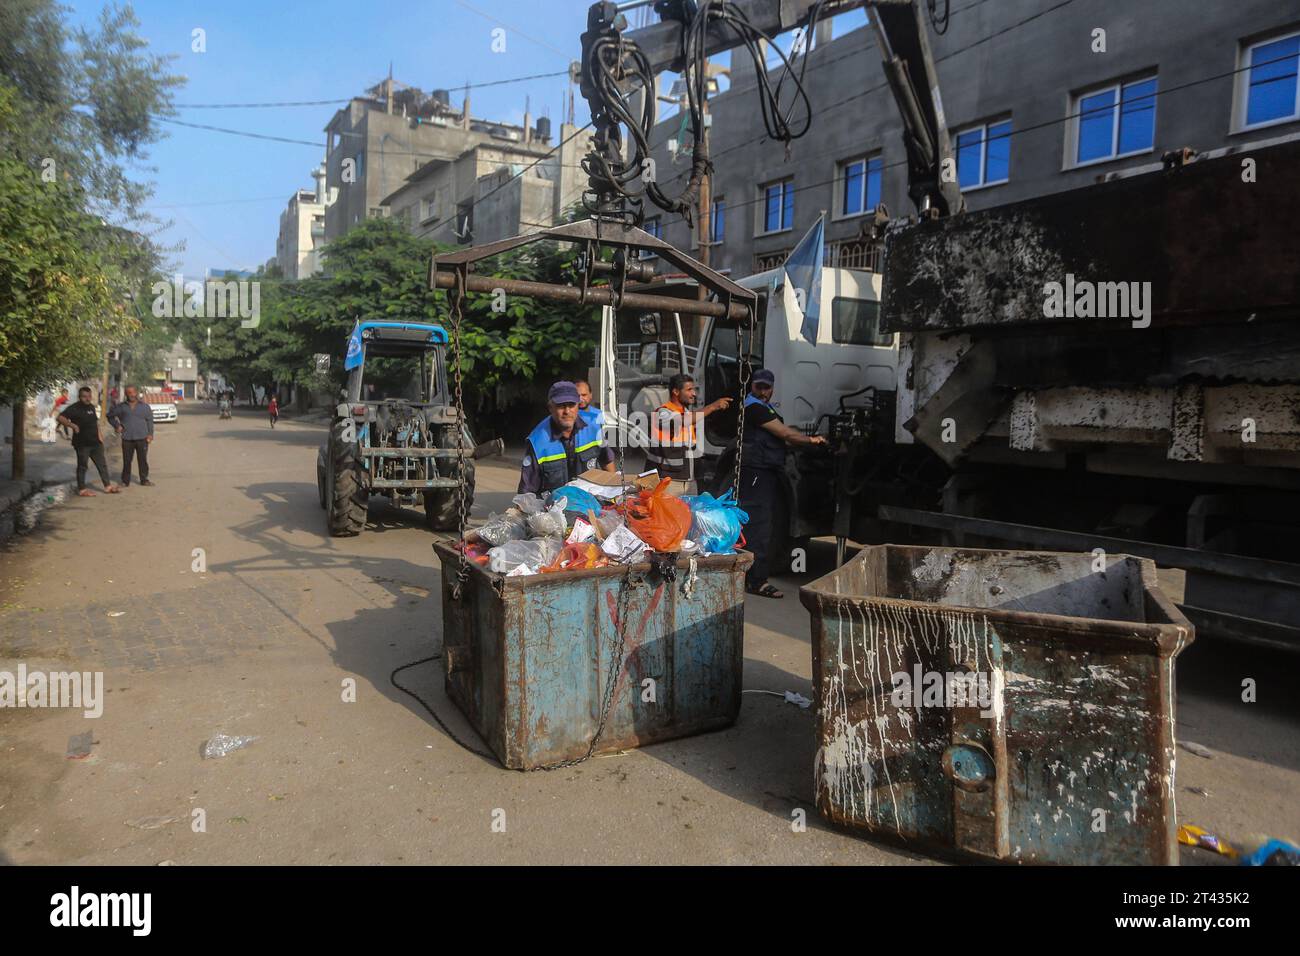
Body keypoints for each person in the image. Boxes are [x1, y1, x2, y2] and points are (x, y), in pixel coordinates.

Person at [737, 369, 826, 599]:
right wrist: (811, 440)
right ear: (752, 386)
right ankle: (756, 581)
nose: (764, 391)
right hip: (757, 471)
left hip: (766, 470)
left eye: (767, 387)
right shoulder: (754, 407)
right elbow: (785, 433)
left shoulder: (764, 407)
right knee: (759, 525)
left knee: (761, 524)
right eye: (759, 387)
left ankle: (749, 576)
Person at [519, 381, 615, 495]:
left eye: (571, 405)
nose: (567, 411)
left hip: (590, 504)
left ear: (578, 405)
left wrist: (614, 492)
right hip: (552, 508)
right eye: (561, 406)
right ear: (550, 407)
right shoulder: (537, 441)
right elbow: (526, 492)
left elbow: (607, 462)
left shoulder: (594, 428)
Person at [645, 373, 731, 481]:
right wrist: (712, 407)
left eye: (694, 389)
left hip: (684, 478)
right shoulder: (662, 412)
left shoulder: (686, 413)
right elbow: (681, 421)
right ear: (675, 391)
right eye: (689, 389)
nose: (694, 393)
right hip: (664, 479)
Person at [57, 387, 120, 497]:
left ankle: (107, 486)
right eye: (85, 396)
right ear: (80, 397)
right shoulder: (74, 408)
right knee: (82, 466)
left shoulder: (91, 407)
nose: (87, 399)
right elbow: (60, 418)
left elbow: (95, 423)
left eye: (89, 396)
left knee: (102, 465)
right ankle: (82, 489)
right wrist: (72, 425)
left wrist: (100, 436)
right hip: (82, 443)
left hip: (95, 442)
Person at [107, 386, 155, 487]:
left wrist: (150, 434)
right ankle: (125, 481)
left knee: (143, 460)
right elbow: (110, 416)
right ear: (126, 394)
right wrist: (117, 425)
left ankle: (144, 479)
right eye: (129, 393)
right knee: (127, 460)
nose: (132, 395)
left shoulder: (144, 407)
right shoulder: (121, 407)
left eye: (133, 392)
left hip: (142, 437)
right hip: (127, 438)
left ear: (136, 393)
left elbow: (150, 421)